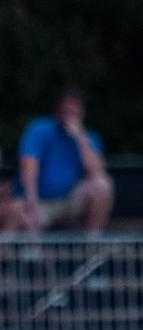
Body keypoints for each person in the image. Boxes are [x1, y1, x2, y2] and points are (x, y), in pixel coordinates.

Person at [9, 88, 114, 234]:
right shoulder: (39, 129)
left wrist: (80, 139)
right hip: (40, 202)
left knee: (103, 185)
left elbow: (97, 173)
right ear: (58, 111)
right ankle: (27, 252)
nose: (69, 116)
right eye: (66, 111)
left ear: (82, 113)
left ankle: (93, 243)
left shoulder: (90, 138)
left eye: (74, 112)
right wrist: (32, 203)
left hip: (70, 202)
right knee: (14, 211)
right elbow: (29, 168)